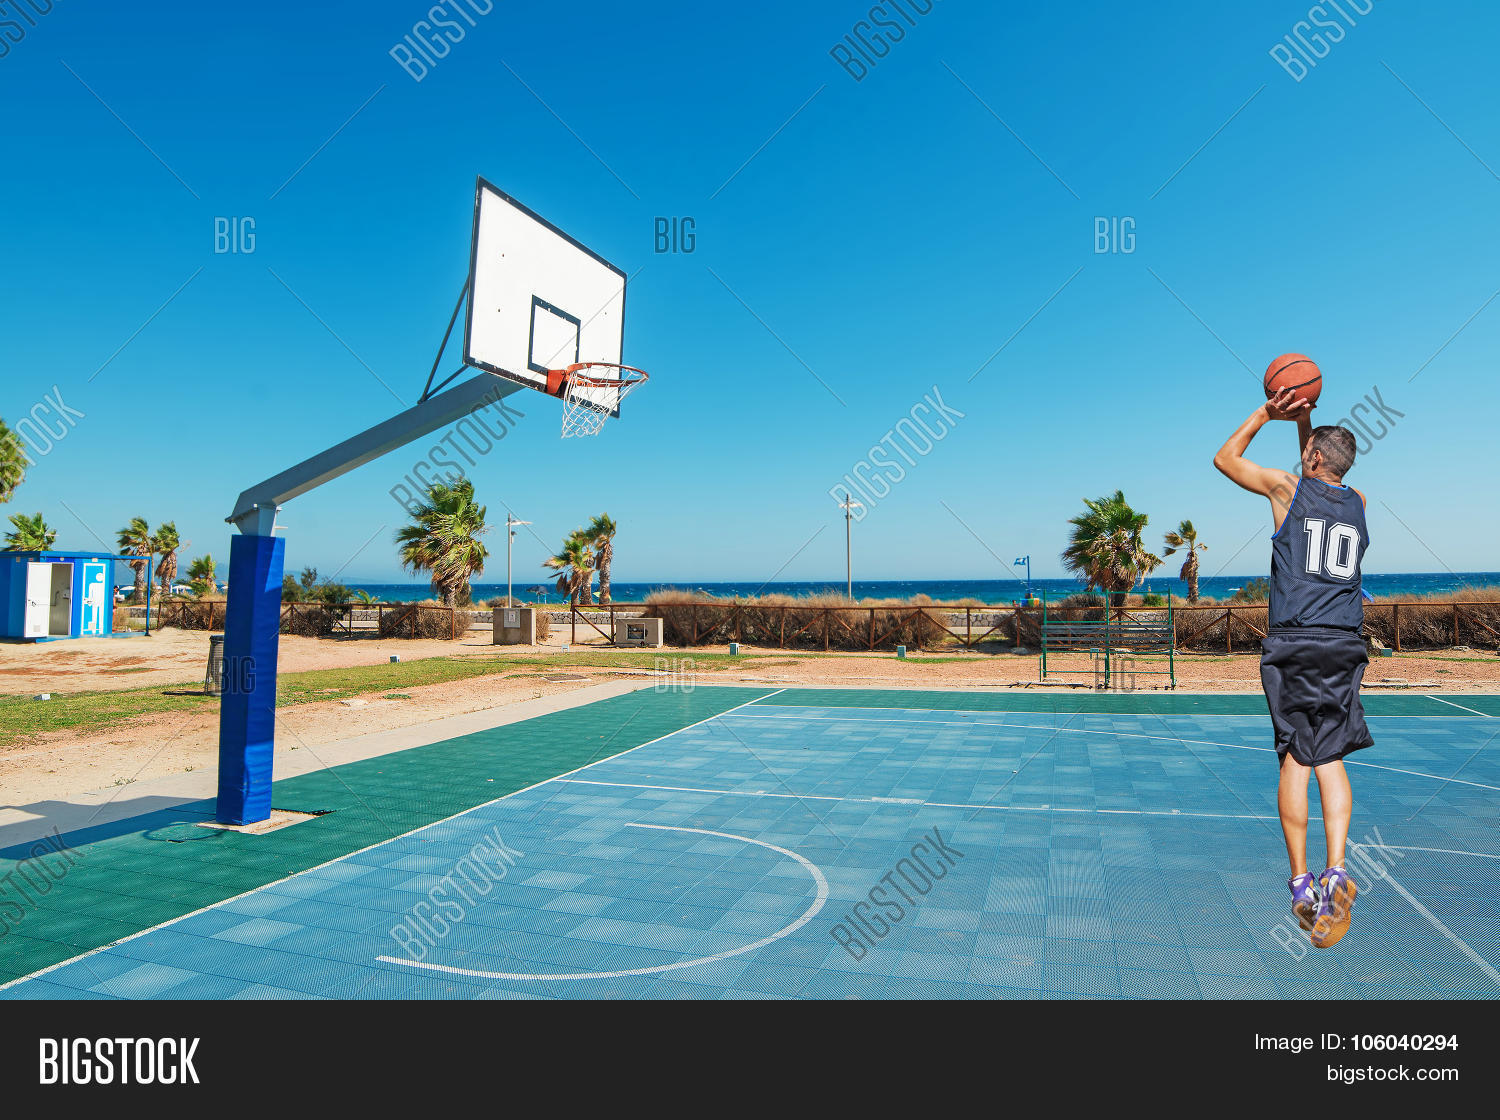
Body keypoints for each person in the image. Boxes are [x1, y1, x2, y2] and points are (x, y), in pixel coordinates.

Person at [1213, 386, 1371, 949]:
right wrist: (1307, 421)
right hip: (1345, 643)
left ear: (1309, 460)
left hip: (1295, 644)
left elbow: (1224, 459)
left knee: (1295, 758)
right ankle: (1337, 871)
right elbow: (1318, 473)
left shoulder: (1286, 487)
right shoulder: (1359, 504)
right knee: (1330, 756)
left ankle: (1302, 883)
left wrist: (1268, 413)